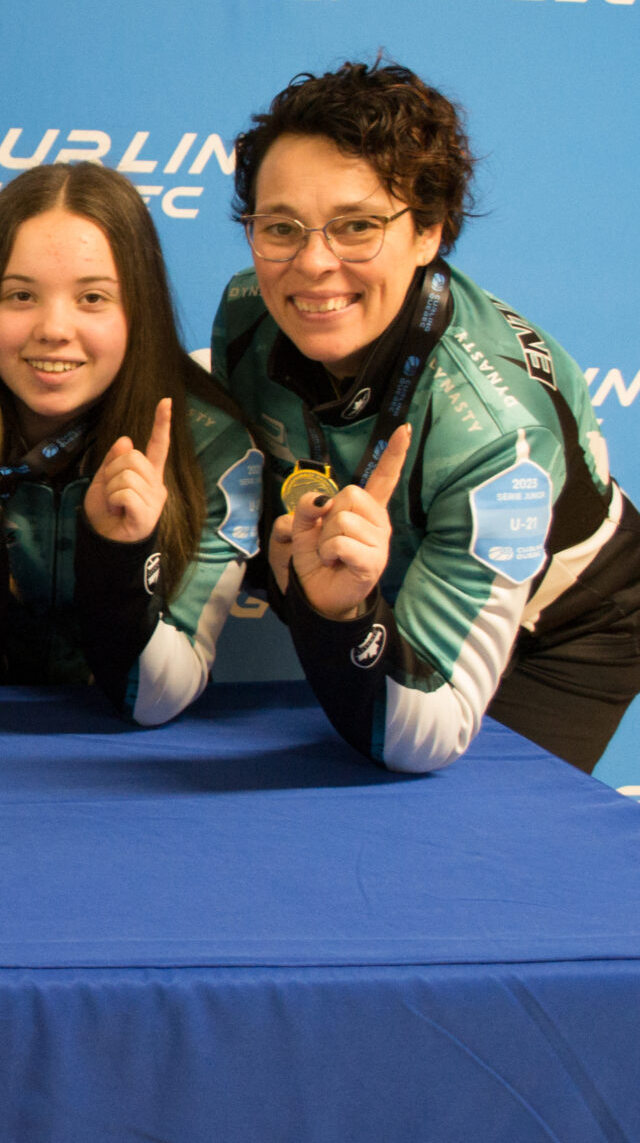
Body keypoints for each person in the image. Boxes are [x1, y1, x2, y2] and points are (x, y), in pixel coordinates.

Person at [212, 60, 640, 773]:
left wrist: (341, 615)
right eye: (281, 227)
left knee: (464, 820)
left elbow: (423, 737)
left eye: (357, 226)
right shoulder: (246, 312)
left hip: (567, 624)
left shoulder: (499, 429)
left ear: (429, 232)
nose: (312, 263)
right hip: (400, 576)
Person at [0, 162, 263, 725]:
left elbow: (159, 699)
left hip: (137, 760)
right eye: (21, 295)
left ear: (140, 309)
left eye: (93, 298)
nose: (54, 329)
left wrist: (122, 557)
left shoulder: (211, 444)